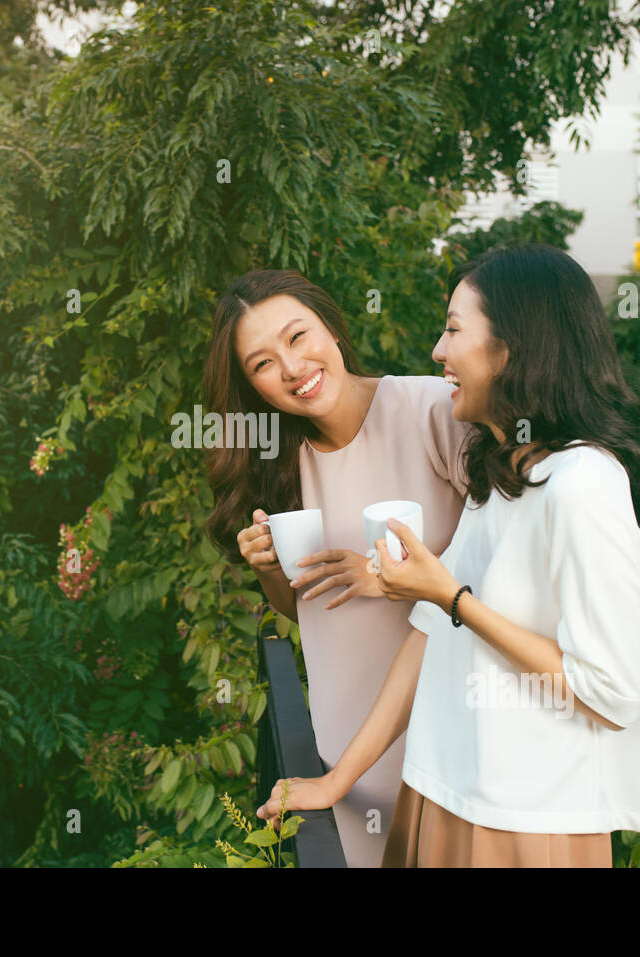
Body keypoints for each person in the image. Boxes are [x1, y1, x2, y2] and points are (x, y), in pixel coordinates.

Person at [256, 244, 640, 867]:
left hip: (525, 820)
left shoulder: (584, 480)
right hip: (444, 793)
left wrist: (450, 596)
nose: (438, 351)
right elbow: (428, 637)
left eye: (454, 329)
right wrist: (336, 781)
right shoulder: (503, 478)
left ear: (511, 348)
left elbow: (611, 692)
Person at [204, 269, 473, 867]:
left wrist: (381, 576)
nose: (293, 368)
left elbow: (500, 560)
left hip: (453, 733)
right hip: (348, 755)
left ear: (330, 325)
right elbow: (302, 608)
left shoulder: (430, 407)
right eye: (263, 364)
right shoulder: (279, 461)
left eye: (298, 337)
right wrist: (268, 567)